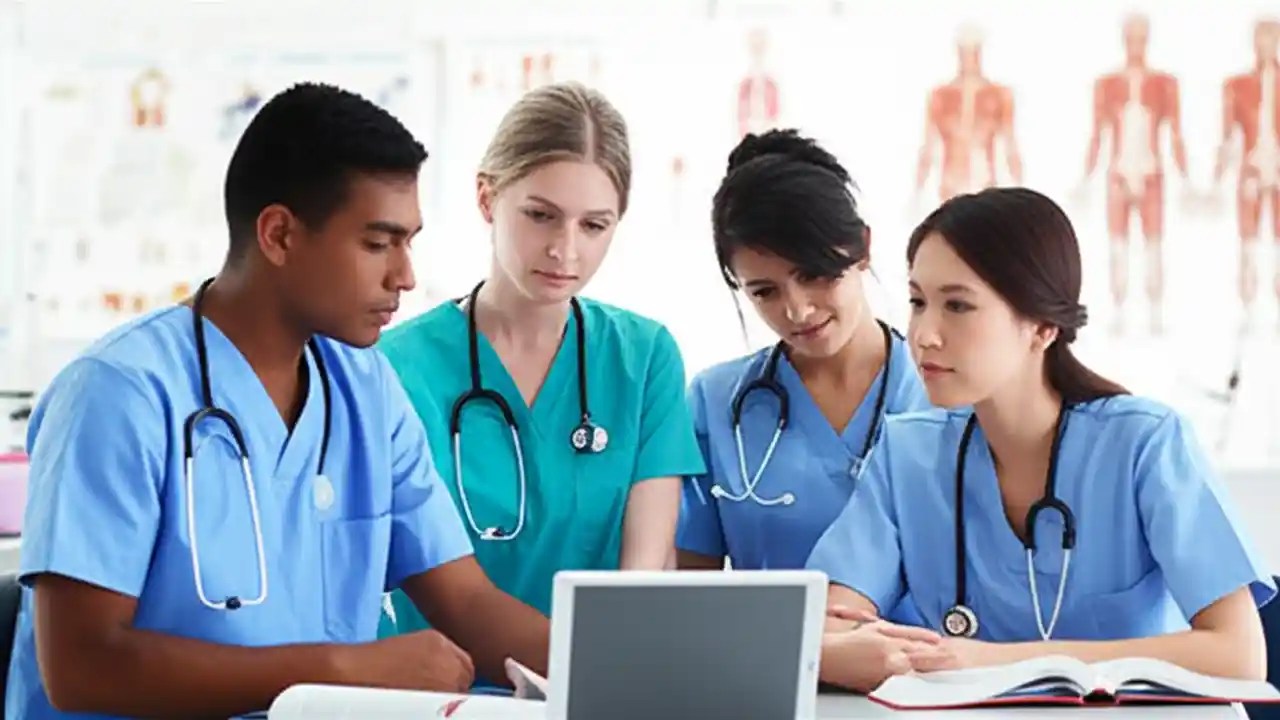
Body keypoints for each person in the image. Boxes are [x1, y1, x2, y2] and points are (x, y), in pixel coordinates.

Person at [5, 83, 550, 720]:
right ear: (279, 234)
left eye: (409, 243)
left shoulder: (366, 389)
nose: (404, 275)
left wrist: (622, 674)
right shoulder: (117, 393)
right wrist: (345, 670)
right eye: (378, 243)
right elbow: (82, 668)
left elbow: (467, 604)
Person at [808, 187, 1275, 691]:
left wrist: (996, 661)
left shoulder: (1144, 444)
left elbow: (1239, 653)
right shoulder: (907, 455)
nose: (923, 334)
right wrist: (849, 650)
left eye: (958, 306)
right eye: (918, 302)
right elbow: (832, 625)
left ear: (1042, 327)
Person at [376, 81, 704, 641]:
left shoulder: (644, 358)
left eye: (594, 225)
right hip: (438, 690)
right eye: (541, 215)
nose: (565, 250)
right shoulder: (396, 365)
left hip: (590, 683)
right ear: (487, 199)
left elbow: (640, 580)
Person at [675, 129, 930, 580]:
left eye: (815, 274)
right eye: (764, 291)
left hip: (924, 650)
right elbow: (691, 593)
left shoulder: (945, 395)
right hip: (766, 651)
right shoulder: (715, 406)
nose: (797, 309)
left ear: (863, 249)